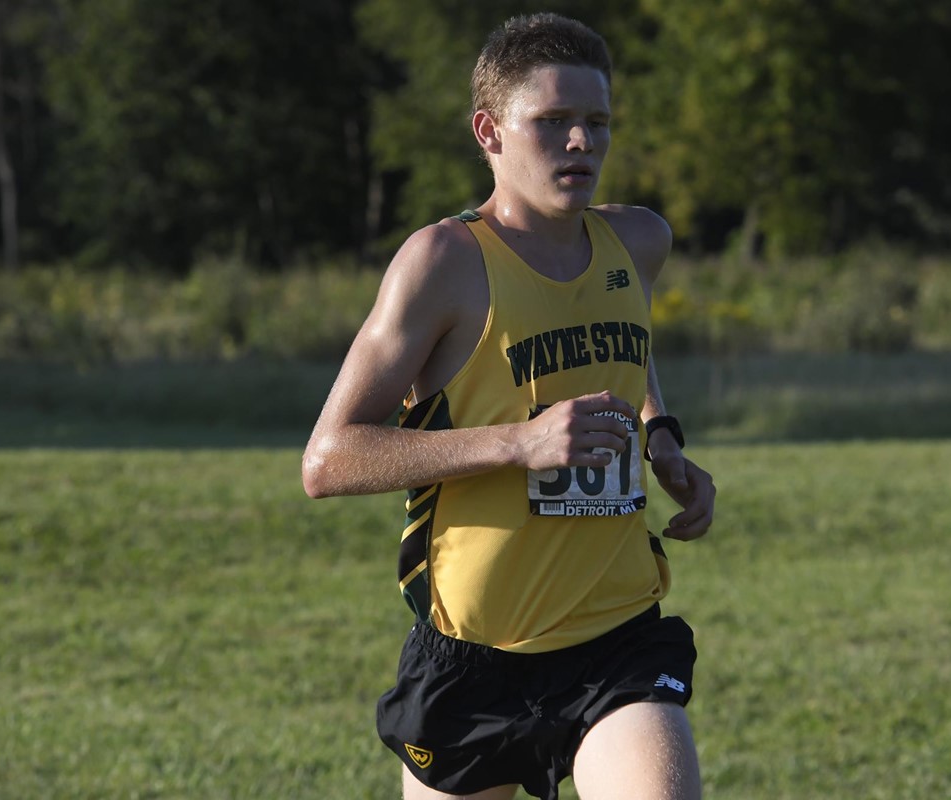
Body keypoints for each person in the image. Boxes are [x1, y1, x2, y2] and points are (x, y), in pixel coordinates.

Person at [302, 12, 715, 800]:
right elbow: (329, 459)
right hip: (472, 657)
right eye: (553, 123)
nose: (581, 144)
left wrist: (660, 435)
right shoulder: (444, 263)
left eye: (597, 123)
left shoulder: (639, 241)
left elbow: (627, 340)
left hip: (615, 636)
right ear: (489, 130)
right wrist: (519, 444)